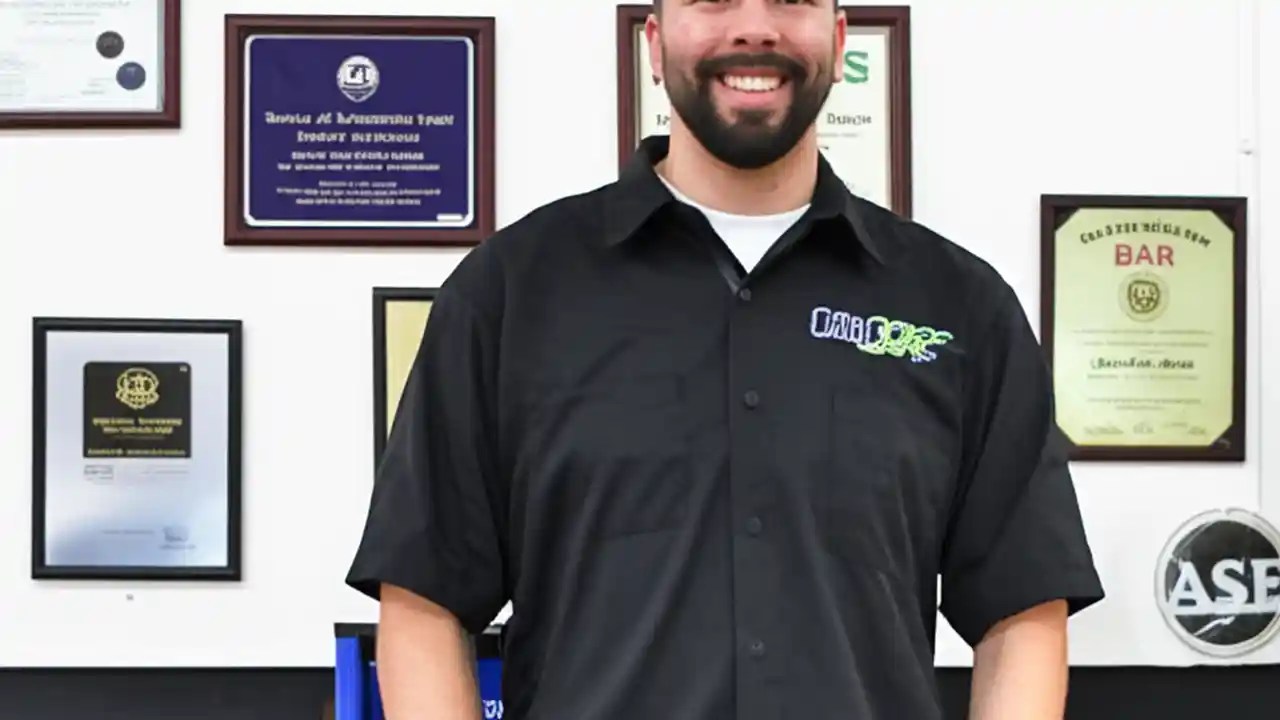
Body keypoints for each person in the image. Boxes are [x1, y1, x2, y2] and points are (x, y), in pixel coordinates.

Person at [344, 0, 1106, 717]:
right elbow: (423, 602)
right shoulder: (510, 293)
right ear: (653, 42)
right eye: (713, 0)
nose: (754, 28)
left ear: (839, 44)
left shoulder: (959, 307)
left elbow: (1022, 612)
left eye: (789, 1)